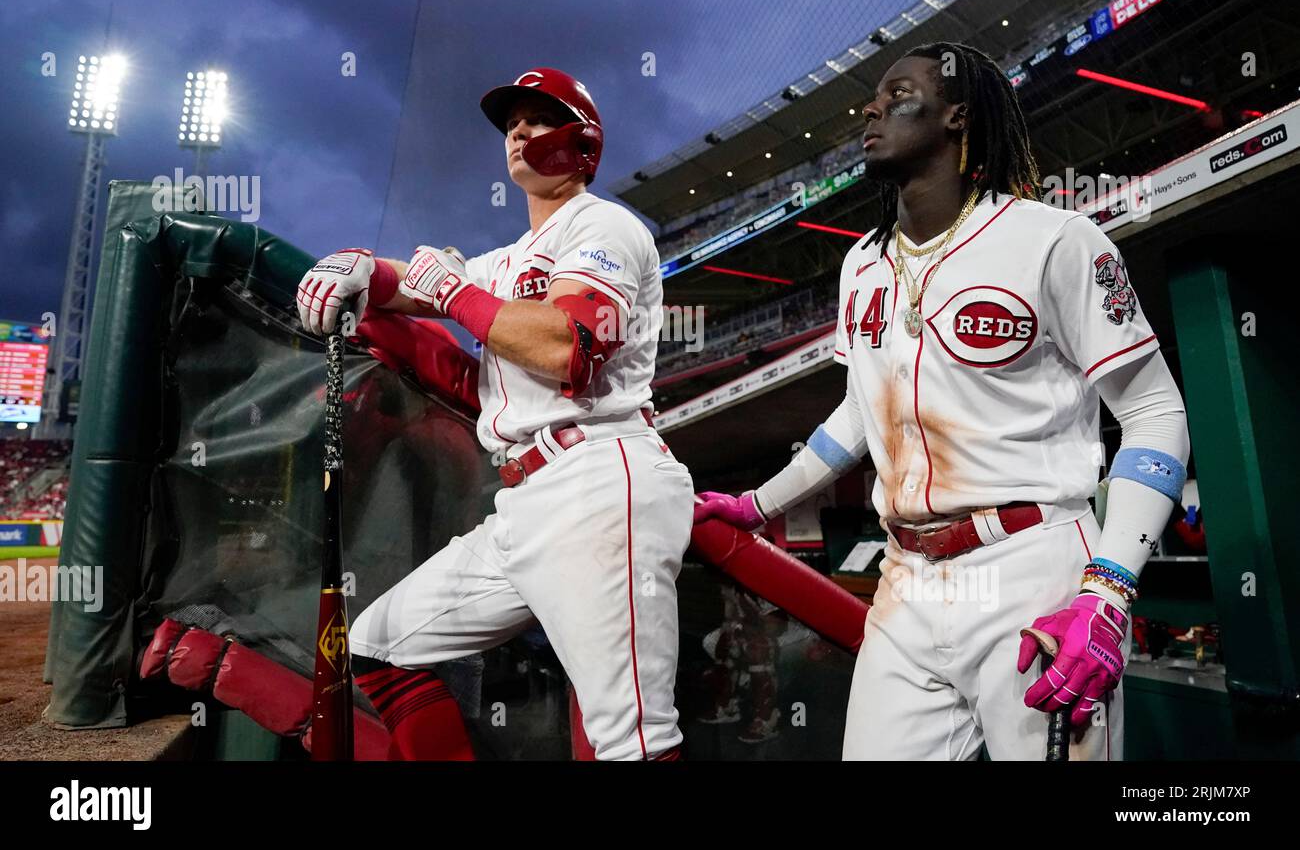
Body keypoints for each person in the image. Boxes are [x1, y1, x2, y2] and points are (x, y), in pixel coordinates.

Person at [694, 42, 1188, 760]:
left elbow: (1154, 414)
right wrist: (758, 504)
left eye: (897, 94)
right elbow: (863, 412)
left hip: (1034, 566)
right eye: (873, 96)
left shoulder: (1056, 239)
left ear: (958, 115)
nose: (870, 107)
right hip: (905, 583)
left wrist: (1107, 594)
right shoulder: (862, 263)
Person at [296, 67, 694, 760]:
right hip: (525, 501)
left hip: (599, 481)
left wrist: (452, 291)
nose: (518, 130)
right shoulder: (507, 260)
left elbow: (568, 348)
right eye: (512, 123)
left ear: (584, 144)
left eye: (539, 119)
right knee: (380, 644)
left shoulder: (605, 225)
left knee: (634, 743)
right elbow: (404, 286)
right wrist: (360, 266)